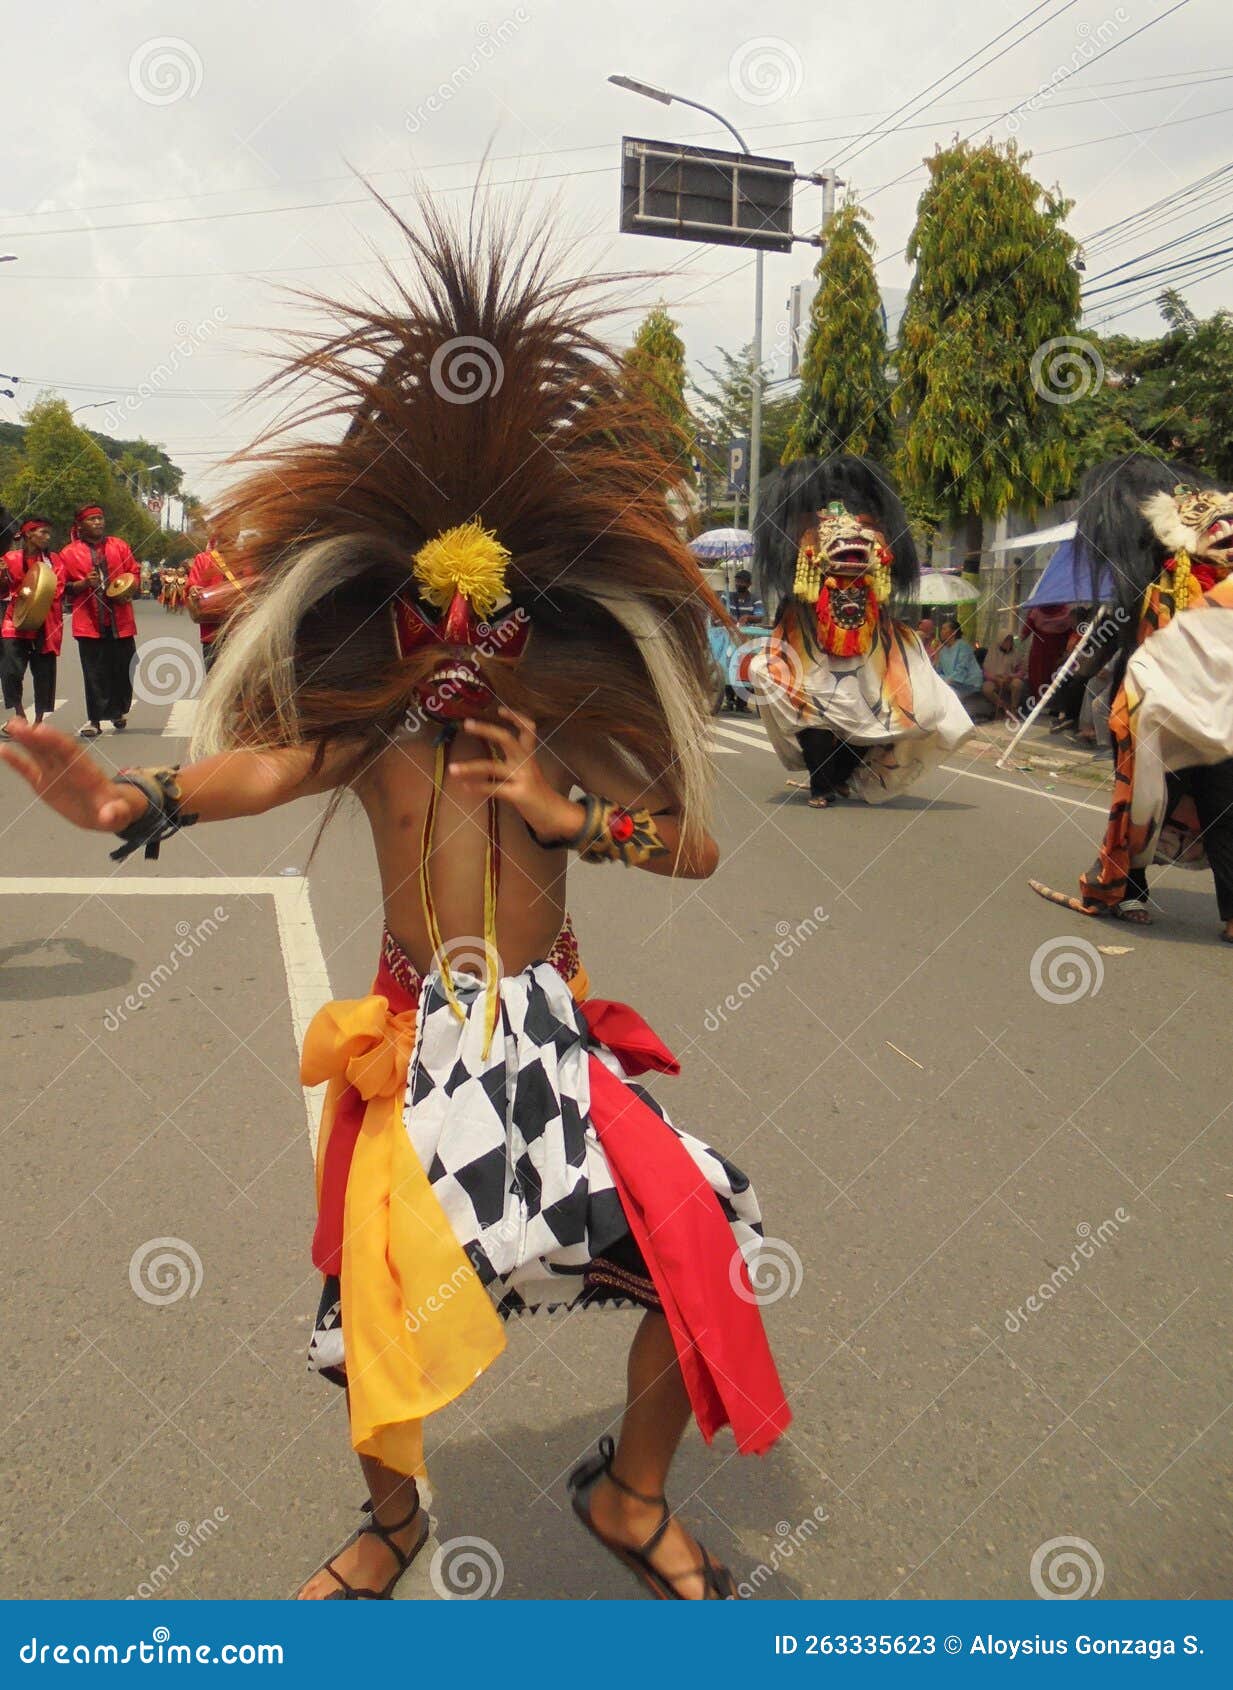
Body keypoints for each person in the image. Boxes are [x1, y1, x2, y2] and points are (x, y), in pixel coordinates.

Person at [1, 202, 790, 1600]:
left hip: (550, 1042)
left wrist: (573, 816)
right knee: (368, 1302)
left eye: (486, 623)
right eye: (432, 621)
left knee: (705, 1245)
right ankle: (395, 1518)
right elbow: (267, 765)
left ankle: (629, 1492)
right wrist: (137, 799)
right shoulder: (374, 732)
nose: (459, 649)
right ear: (395, 614)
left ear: (527, 617)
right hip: (414, 1041)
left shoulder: (566, 728)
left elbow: (697, 848)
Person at [1030, 455, 1233, 939]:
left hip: (1223, 723)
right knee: (1145, 807)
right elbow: (1131, 644)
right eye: (1217, 531)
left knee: (1225, 813)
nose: (1227, 538)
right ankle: (1126, 890)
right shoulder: (1160, 586)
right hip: (1162, 719)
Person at [750, 454, 972, 808]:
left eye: (863, 526)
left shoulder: (877, 582)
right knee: (812, 715)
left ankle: (838, 778)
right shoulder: (801, 588)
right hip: (811, 651)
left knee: (874, 717)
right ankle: (822, 786)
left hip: (869, 654)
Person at [59, 505, 139, 738]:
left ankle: (118, 709)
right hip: (89, 623)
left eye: (100, 518)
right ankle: (94, 720)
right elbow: (61, 587)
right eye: (92, 519)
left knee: (125, 667)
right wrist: (83, 584)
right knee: (94, 673)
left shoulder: (119, 545)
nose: (98, 523)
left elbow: (134, 572)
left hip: (120, 620)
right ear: (80, 525)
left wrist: (127, 587)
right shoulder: (68, 553)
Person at [1, 516, 66, 730]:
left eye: (49, 533)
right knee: (9, 669)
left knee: (44, 672)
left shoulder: (54, 561)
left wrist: (32, 595)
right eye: (43, 532)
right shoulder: (9, 558)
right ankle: (19, 713)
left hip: (45, 622)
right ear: (29, 534)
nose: (48, 537)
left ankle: (38, 721)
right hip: (14, 620)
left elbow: (57, 588)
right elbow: (3, 591)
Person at [185, 539, 242, 673]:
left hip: (239, 628)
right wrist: (193, 589)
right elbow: (191, 585)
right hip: (211, 631)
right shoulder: (203, 559)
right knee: (214, 675)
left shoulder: (244, 557)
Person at [933, 618, 984, 703]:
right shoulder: (943, 649)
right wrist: (936, 657)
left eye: (944, 629)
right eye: (941, 629)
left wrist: (944, 682)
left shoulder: (963, 646)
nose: (941, 632)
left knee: (946, 694)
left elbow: (962, 670)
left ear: (953, 632)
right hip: (950, 682)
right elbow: (939, 671)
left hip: (967, 683)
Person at [982, 632, 1025, 722]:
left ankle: (1013, 711)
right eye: (1006, 640)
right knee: (986, 688)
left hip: (1009, 680)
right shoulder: (992, 651)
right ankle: (1005, 707)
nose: (1009, 643)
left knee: (1018, 684)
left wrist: (1011, 676)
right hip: (994, 680)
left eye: (1010, 640)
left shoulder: (1016, 653)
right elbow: (985, 671)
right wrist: (995, 678)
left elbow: (1021, 672)